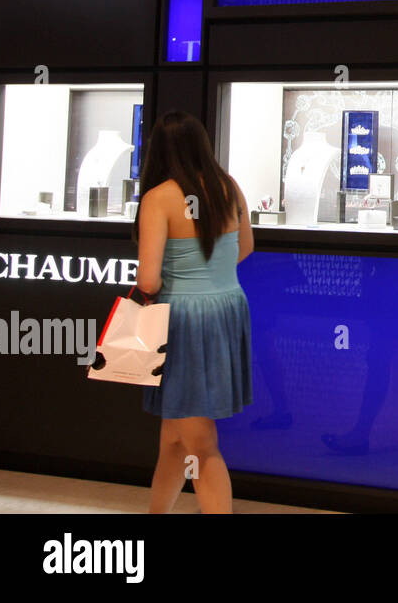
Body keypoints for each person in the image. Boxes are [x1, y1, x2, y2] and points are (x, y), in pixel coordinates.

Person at [131, 110, 254, 514]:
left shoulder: (158, 197)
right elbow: (246, 247)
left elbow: (148, 281)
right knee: (174, 439)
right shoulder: (228, 187)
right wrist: (212, 277)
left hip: (182, 322)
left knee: (199, 446)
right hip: (226, 309)